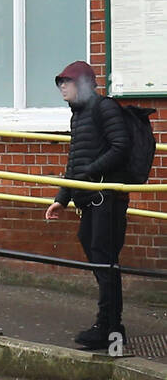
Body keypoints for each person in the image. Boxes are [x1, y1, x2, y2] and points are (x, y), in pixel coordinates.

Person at [44, 60, 130, 350]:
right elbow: (74, 163)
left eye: (66, 82)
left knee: (104, 260)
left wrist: (92, 173)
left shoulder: (104, 108)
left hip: (107, 199)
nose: (62, 88)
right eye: (60, 84)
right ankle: (110, 324)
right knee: (99, 258)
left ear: (81, 83)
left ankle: (109, 326)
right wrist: (62, 199)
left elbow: (121, 146)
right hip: (91, 200)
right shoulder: (78, 116)